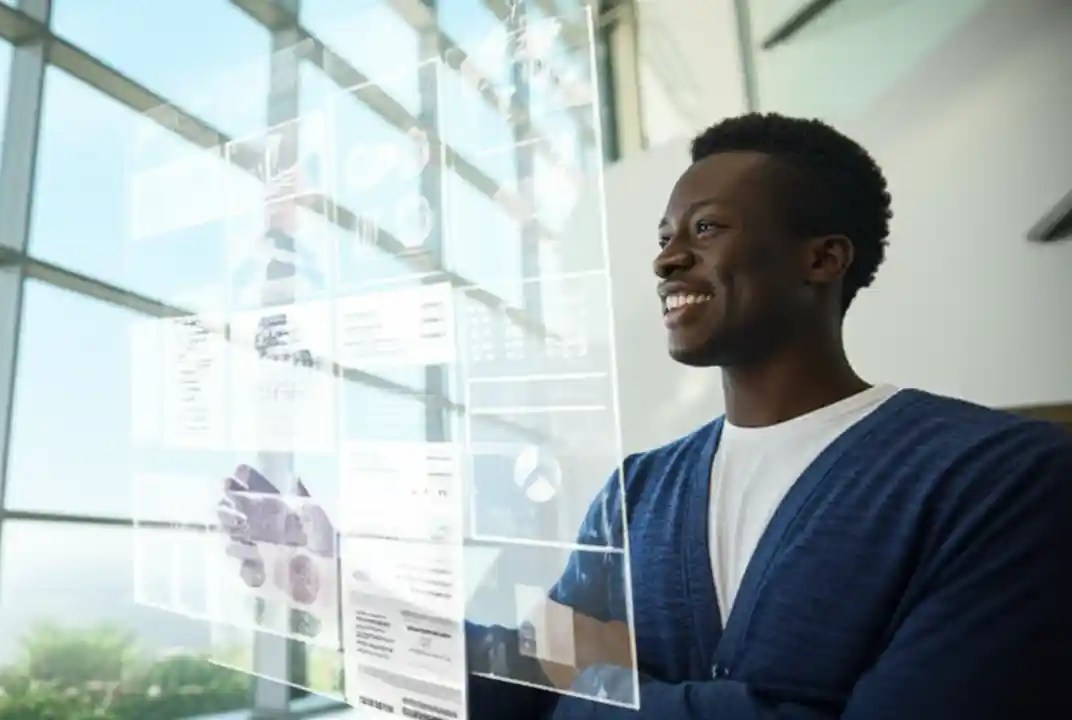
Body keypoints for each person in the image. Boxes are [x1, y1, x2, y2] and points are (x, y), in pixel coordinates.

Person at [220, 113, 1072, 719]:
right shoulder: (641, 489)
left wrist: (592, 679)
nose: (667, 257)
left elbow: (558, 686)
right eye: (665, 233)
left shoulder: (1005, 480)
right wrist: (336, 590)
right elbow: (516, 685)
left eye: (705, 228)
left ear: (823, 259)